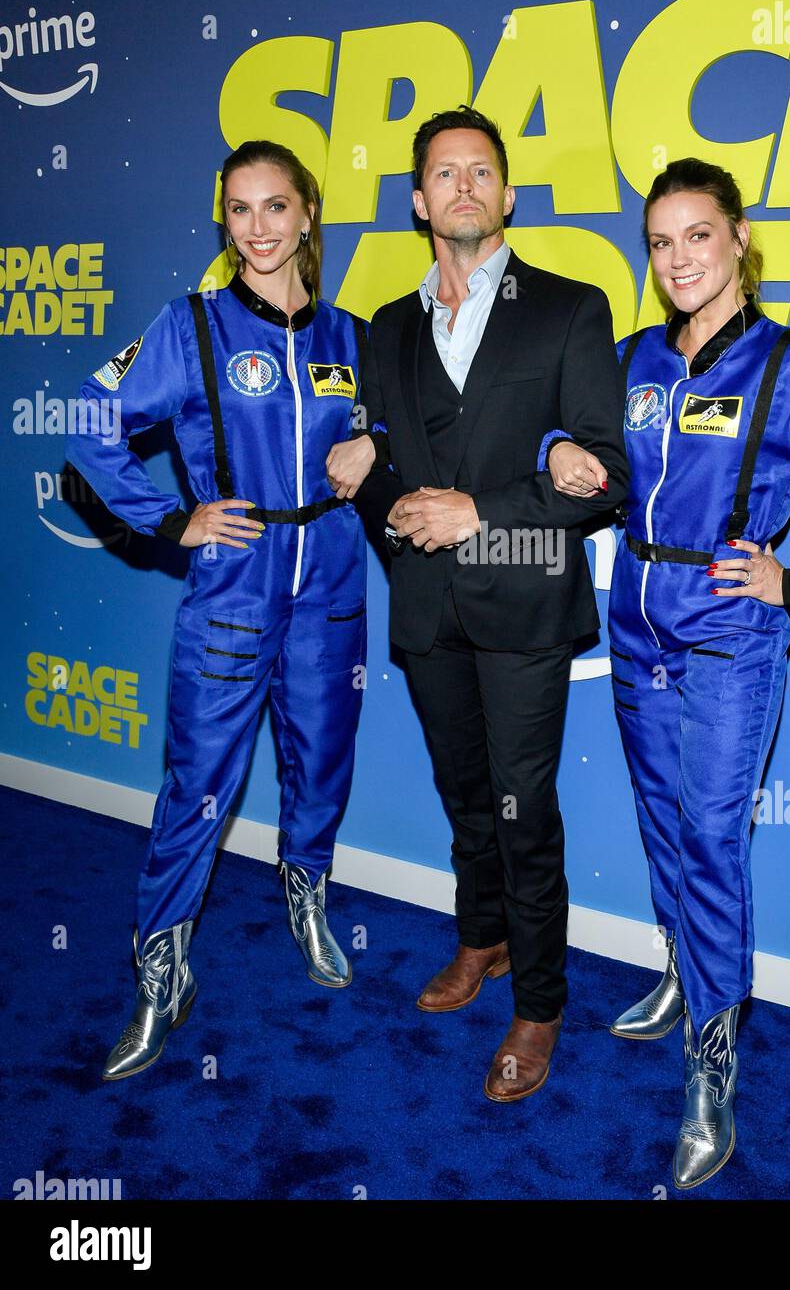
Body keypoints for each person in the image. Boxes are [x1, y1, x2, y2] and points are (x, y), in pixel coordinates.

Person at [542, 157, 790, 1186]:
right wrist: (551, 452)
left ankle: (709, 1062)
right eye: (659, 242)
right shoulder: (629, 359)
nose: (676, 260)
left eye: (695, 236)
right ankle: (680, 965)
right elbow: (566, 435)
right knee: (662, 822)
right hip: (635, 630)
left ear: (738, 237)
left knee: (710, 840)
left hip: (727, 638)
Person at [335, 106, 628, 1102]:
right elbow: (375, 457)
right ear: (418, 201)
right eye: (442, 173)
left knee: (521, 811)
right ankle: (482, 939)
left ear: (504, 194)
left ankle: (538, 1004)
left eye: (480, 172)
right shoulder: (384, 326)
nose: (462, 185)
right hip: (425, 608)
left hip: (522, 609)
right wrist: (397, 505)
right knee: (463, 796)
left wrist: (476, 513)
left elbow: (605, 474)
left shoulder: (570, 308)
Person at [66, 140, 375, 1080]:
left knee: (321, 762)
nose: (257, 229)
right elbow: (91, 419)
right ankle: (162, 966)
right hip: (233, 587)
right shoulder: (192, 325)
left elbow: (394, 422)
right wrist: (170, 517)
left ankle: (308, 890)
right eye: (238, 211)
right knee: (197, 783)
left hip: (332, 584)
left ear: (308, 215)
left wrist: (375, 446)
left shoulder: (350, 335)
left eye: (275, 207)